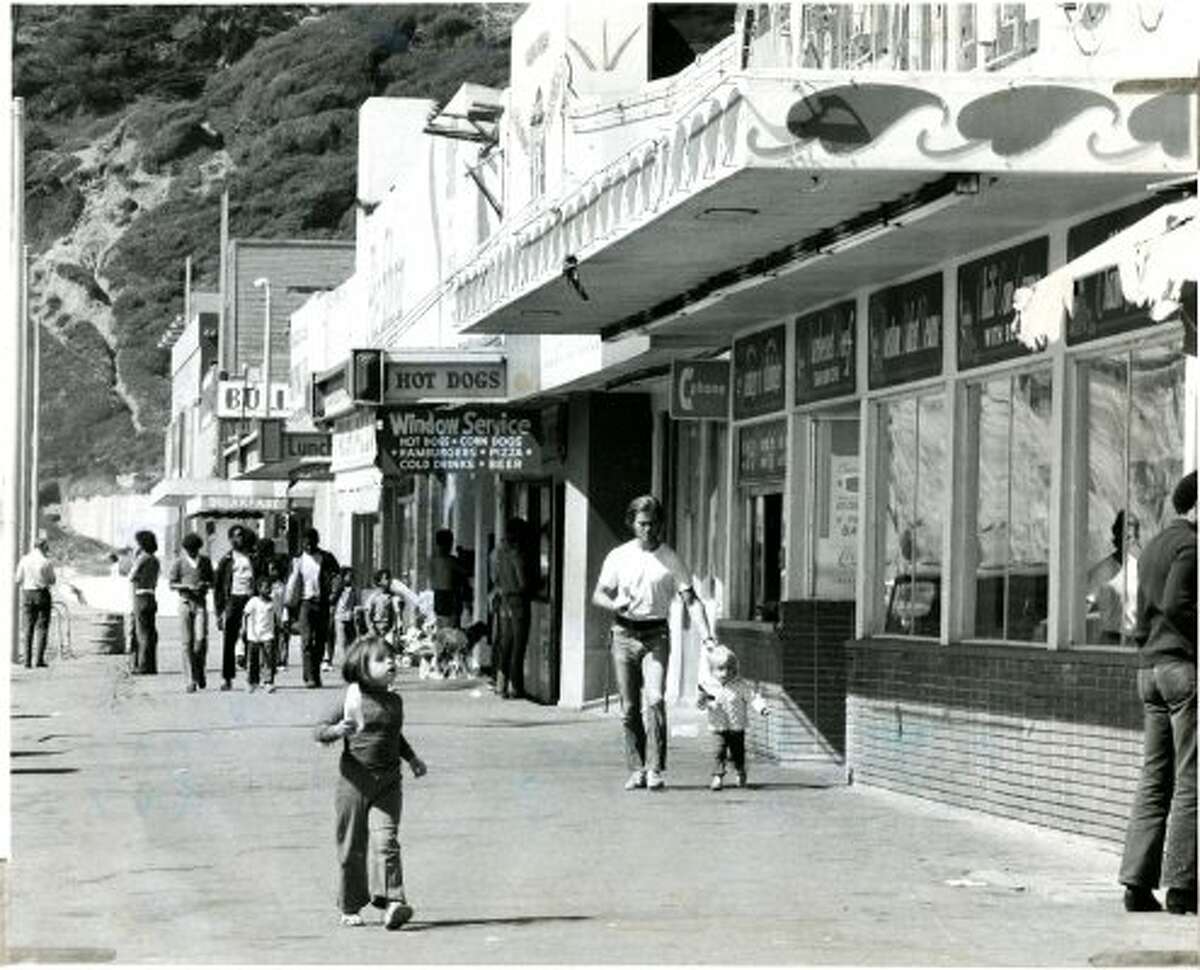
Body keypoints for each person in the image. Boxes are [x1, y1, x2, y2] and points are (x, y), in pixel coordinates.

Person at [592, 494, 716, 791]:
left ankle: (655, 768)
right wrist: (615, 604)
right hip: (624, 634)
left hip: (656, 634)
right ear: (632, 523)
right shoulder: (619, 556)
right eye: (642, 524)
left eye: (653, 524)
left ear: (660, 524)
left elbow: (691, 600)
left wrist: (708, 637)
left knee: (656, 698)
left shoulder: (670, 559)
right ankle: (637, 769)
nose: (648, 530)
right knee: (629, 707)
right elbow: (598, 594)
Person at [1120, 471, 1197, 916]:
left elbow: (1142, 613)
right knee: (1192, 778)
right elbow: (1176, 605)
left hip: (1148, 670)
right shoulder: (1191, 545)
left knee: (1154, 776)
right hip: (1180, 669)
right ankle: (1183, 887)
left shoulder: (1152, 547)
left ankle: (1136, 883)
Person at [314, 637, 427, 929]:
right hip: (354, 784)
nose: (391, 662)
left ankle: (393, 902)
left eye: (392, 657)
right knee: (352, 846)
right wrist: (337, 730)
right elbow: (319, 730)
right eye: (381, 659)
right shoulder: (350, 699)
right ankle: (350, 905)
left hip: (388, 783)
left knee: (386, 841)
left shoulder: (395, 701)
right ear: (361, 667)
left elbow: (394, 735)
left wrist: (412, 758)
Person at [697, 644, 769, 791]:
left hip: (737, 726)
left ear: (735, 669)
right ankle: (718, 776)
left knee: (738, 753)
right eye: (720, 669)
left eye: (729, 669)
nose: (725, 673)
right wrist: (708, 704)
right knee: (718, 752)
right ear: (712, 670)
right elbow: (701, 703)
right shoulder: (708, 685)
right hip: (717, 726)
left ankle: (740, 771)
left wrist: (762, 708)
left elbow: (752, 697)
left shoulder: (740, 685)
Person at [287, 527, 340, 688]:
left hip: (322, 603)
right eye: (305, 543)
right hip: (305, 604)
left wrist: (334, 595)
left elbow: (338, 577)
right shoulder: (297, 560)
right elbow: (290, 584)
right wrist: (289, 606)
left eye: (311, 543)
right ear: (302, 543)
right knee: (307, 640)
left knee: (321, 641)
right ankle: (309, 676)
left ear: (317, 542)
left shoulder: (326, 558)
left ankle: (316, 674)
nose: (308, 546)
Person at [169, 532, 214, 692]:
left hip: (200, 603)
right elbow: (172, 584)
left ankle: (199, 670)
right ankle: (190, 679)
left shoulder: (205, 562)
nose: (192, 552)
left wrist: (204, 584)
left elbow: (212, 581)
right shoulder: (179, 563)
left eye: (194, 549)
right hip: (185, 602)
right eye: (189, 550)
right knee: (187, 642)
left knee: (201, 640)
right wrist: (186, 587)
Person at [1087, 510, 1141, 644]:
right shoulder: (1101, 571)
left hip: (1134, 641)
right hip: (1110, 641)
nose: (1127, 542)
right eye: (1123, 536)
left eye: (1130, 537)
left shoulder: (1139, 569)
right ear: (1116, 536)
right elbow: (1084, 606)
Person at [492, 517, 531, 699]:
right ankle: (515, 687)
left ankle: (500, 685)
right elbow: (522, 581)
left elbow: (495, 578)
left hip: (503, 600)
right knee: (518, 644)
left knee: (506, 643)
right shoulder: (516, 554)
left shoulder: (497, 553)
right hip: (517, 600)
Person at [215, 525, 257, 691]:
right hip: (232, 599)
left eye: (239, 536)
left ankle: (252, 677)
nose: (236, 539)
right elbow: (218, 588)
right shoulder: (226, 560)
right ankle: (227, 678)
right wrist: (219, 611)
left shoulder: (253, 557)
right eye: (233, 536)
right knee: (229, 639)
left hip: (250, 599)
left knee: (251, 637)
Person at [15, 533, 56, 669]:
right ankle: (39, 660)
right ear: (44, 547)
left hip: (27, 593)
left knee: (28, 627)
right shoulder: (46, 561)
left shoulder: (24, 559)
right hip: (42, 594)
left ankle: (27, 661)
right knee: (42, 627)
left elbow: (17, 579)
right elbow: (52, 580)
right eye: (47, 547)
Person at [128, 530, 161, 675]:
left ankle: (143, 665)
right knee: (150, 632)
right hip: (151, 595)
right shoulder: (155, 560)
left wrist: (135, 558)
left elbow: (131, 576)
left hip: (140, 596)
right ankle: (151, 664)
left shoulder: (142, 559)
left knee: (141, 632)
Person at [241, 575, 279, 693]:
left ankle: (268, 681)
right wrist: (244, 628)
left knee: (268, 659)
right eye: (266, 587)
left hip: (268, 635)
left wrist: (278, 627)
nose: (268, 590)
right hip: (254, 636)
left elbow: (276, 617)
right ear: (259, 589)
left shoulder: (272, 602)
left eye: (269, 587)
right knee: (252, 660)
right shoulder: (253, 601)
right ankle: (251, 682)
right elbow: (245, 614)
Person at [428, 529, 469, 629]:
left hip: (439, 596)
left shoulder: (433, 560)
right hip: (450, 597)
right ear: (449, 544)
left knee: (442, 626)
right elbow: (465, 572)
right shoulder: (450, 561)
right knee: (450, 628)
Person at [333, 566, 360, 671]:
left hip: (350, 618)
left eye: (352, 576)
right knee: (342, 641)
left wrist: (356, 614)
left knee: (352, 641)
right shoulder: (339, 589)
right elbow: (333, 602)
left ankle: (351, 661)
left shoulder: (354, 590)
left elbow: (356, 603)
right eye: (348, 576)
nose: (350, 578)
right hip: (340, 617)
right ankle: (344, 663)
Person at [366, 568, 398, 649]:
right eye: (386, 578)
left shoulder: (391, 596)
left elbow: (393, 614)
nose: (389, 581)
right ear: (379, 581)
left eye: (389, 578)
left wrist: (393, 628)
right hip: (377, 627)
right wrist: (372, 629)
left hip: (388, 629)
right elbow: (368, 615)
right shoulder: (374, 597)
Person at [267, 559, 289, 671]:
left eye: (273, 569)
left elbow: (286, 602)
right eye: (270, 569)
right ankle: (272, 660)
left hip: (280, 615)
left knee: (282, 638)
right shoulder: (266, 586)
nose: (271, 572)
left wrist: (285, 616)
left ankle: (282, 661)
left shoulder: (283, 586)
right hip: (269, 617)